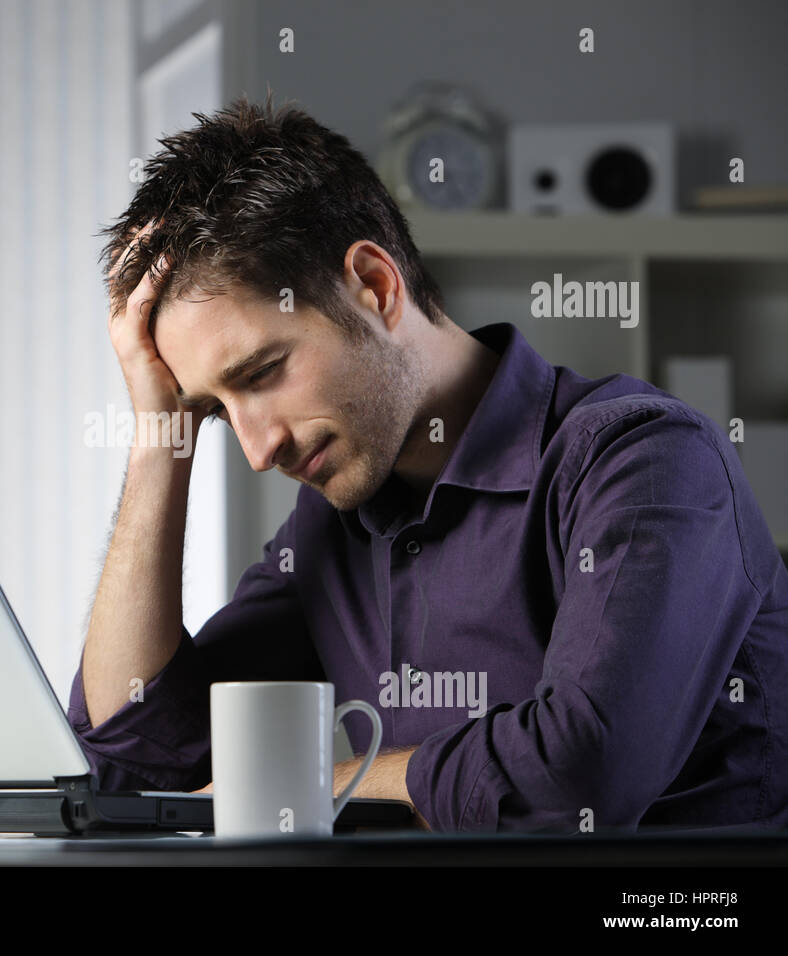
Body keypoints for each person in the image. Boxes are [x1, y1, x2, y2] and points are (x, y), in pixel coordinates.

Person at [69, 94, 788, 832]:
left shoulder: (647, 462)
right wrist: (162, 436)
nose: (257, 451)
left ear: (375, 287)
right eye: (217, 411)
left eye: (260, 374)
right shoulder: (335, 525)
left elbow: (578, 777)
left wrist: (317, 781)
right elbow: (141, 766)